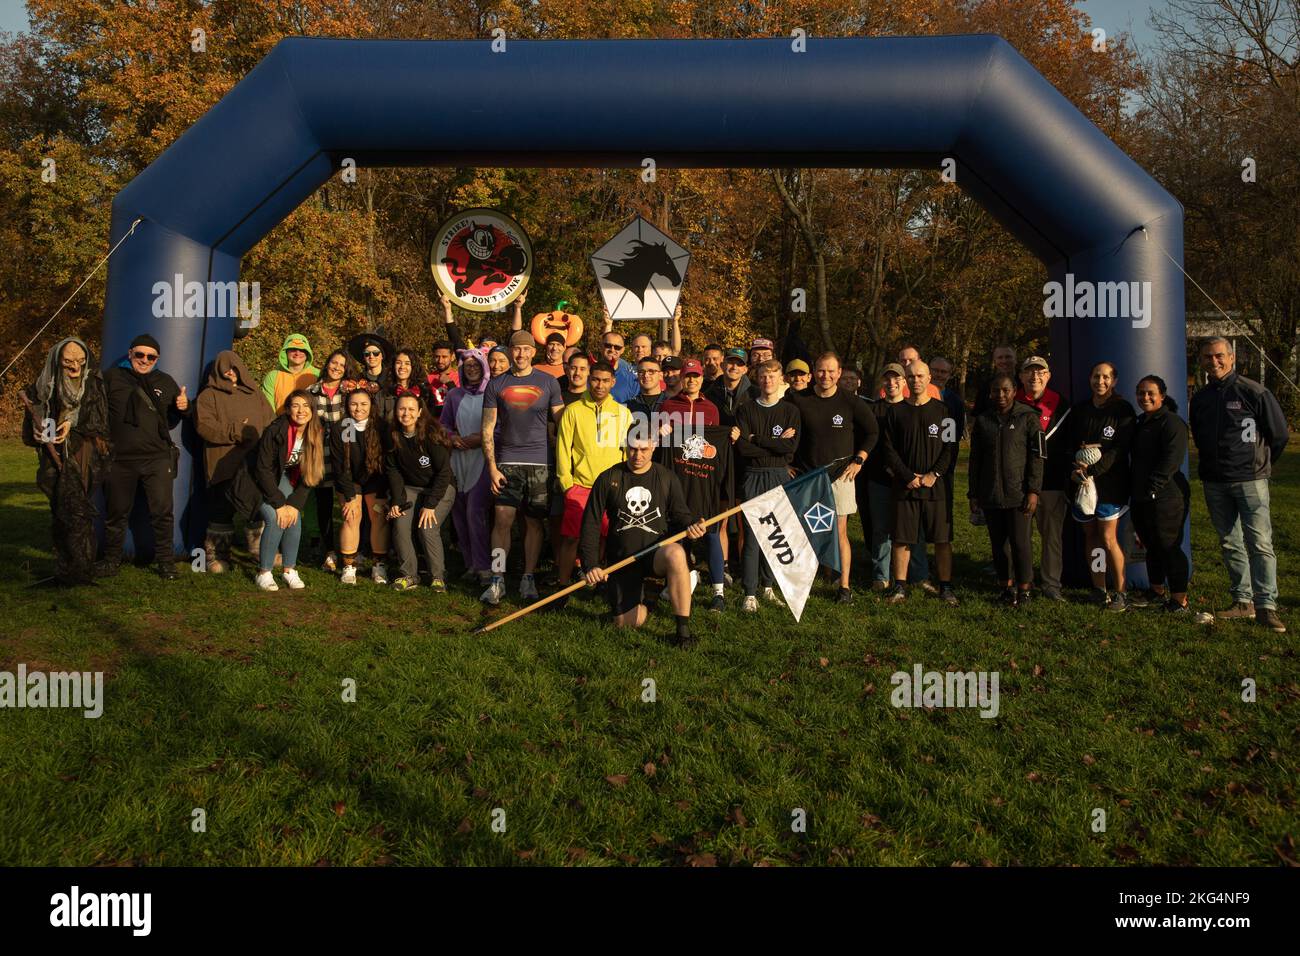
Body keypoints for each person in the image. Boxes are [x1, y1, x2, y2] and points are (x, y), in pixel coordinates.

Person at [1188, 337, 1289, 632]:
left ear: (1232, 358)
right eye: (1208, 357)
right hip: (1215, 481)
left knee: (1259, 543)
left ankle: (1266, 605)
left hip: (1250, 480)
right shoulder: (1202, 397)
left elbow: (1279, 434)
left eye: (1219, 356)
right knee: (1230, 542)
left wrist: (1260, 463)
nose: (1214, 361)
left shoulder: (1253, 391)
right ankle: (1242, 601)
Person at [581, 429, 708, 647]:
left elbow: (681, 515)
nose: (637, 455)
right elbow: (590, 524)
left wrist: (692, 526)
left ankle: (683, 633)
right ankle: (647, 600)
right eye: (632, 449)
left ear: (654, 446)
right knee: (626, 623)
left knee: (676, 554)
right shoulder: (608, 478)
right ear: (625, 446)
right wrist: (591, 564)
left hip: (655, 554)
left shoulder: (666, 477)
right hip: (622, 561)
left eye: (644, 449)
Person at [480, 329, 565, 604]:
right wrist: (492, 467)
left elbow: (563, 423)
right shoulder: (496, 384)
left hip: (540, 463)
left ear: (533, 352)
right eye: (516, 349)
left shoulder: (549, 382)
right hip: (507, 462)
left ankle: (528, 577)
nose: (521, 354)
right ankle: (497, 579)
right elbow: (487, 428)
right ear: (510, 352)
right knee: (502, 520)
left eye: (526, 349)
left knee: (533, 522)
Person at [788, 352, 878, 604]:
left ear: (839, 373)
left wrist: (859, 459)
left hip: (840, 477)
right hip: (808, 477)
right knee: (805, 531)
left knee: (839, 532)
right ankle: (802, 580)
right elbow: (785, 432)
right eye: (820, 371)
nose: (825, 376)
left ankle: (844, 587)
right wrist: (786, 463)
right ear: (813, 372)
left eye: (830, 371)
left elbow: (872, 432)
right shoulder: (797, 399)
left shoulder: (851, 402)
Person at [99, 334, 191, 579]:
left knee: (162, 512)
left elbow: (180, 413)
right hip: (120, 459)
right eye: (139, 354)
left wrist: (184, 406)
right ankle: (111, 561)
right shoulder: (111, 378)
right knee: (116, 513)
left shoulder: (165, 381)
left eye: (151, 356)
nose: (144, 359)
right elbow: (95, 412)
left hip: (157, 458)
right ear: (130, 354)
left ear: (157, 358)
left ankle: (166, 563)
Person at [21, 337, 110, 587]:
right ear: (58, 360)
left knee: (77, 508)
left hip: (84, 454)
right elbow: (33, 415)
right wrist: (37, 432)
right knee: (59, 508)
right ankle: (64, 567)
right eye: (69, 362)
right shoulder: (45, 385)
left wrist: (74, 423)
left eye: (80, 362)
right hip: (53, 455)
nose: (75, 368)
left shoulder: (93, 383)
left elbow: (101, 422)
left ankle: (81, 569)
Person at [882, 360, 958, 606]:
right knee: (902, 538)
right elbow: (888, 449)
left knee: (942, 539)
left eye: (920, 376)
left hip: (936, 487)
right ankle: (899, 587)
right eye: (911, 377)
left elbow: (950, 448)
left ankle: (945, 587)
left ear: (928, 379)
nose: (916, 381)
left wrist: (933, 474)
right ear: (906, 380)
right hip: (905, 486)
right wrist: (907, 476)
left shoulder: (945, 411)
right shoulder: (894, 412)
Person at [234, 390, 325, 591]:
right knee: (276, 517)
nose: (301, 411)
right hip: (256, 479)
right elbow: (262, 469)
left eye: (306, 406)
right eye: (295, 405)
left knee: (294, 517)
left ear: (313, 410)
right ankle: (263, 572)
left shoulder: (316, 432)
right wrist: (279, 503)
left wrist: (293, 504)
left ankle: (289, 570)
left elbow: (311, 474)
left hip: (282, 476)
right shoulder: (276, 430)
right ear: (288, 409)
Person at [554, 361, 632, 591]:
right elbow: (563, 448)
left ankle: (596, 581)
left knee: (605, 538)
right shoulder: (573, 410)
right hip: (580, 486)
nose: (600, 385)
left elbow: (627, 452)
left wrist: (624, 483)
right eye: (596, 379)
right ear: (589, 379)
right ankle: (563, 586)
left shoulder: (622, 413)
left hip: (611, 488)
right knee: (571, 538)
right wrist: (567, 484)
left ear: (613, 382)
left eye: (605, 380)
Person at [194, 350, 273, 573]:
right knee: (221, 509)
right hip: (222, 464)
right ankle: (216, 555)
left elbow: (270, 421)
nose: (231, 372)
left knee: (257, 507)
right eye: (226, 368)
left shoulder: (255, 393)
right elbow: (204, 426)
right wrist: (236, 431)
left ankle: (261, 552)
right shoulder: (208, 396)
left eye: (235, 367)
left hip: (253, 462)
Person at [967, 374, 1042, 607]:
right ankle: (1006, 588)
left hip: (1019, 494)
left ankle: (1025, 590)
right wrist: (974, 493)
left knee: (1021, 544)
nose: (1000, 395)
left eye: (1005, 390)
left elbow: (1038, 456)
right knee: (998, 546)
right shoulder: (983, 421)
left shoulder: (1028, 418)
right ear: (990, 393)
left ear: (1014, 391)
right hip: (990, 494)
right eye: (996, 391)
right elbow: (974, 460)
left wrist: (1033, 490)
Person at [660, 359, 727, 612]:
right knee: (678, 534)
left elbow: (716, 447)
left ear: (701, 379)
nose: (692, 380)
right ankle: (680, 581)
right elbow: (658, 445)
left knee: (709, 532)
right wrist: (661, 433)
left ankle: (718, 591)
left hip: (703, 481)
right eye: (688, 376)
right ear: (682, 378)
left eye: (696, 376)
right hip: (677, 482)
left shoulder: (711, 408)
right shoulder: (668, 405)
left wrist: (728, 436)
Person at [733, 359, 801, 612]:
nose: (767, 381)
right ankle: (749, 593)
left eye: (772, 376)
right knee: (752, 536)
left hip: (778, 475)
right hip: (754, 474)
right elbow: (743, 448)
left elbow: (789, 448)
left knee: (775, 534)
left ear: (781, 379)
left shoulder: (790, 411)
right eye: (763, 376)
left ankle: (768, 586)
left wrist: (755, 438)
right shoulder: (746, 409)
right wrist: (770, 442)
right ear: (757, 378)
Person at [1068, 361, 1136, 612]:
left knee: (1108, 538)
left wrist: (1095, 469)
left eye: (1106, 377)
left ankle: (1120, 592)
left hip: (1110, 484)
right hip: (1084, 484)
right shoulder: (1081, 410)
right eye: (1096, 376)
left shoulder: (1122, 409)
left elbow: (1120, 449)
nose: (1101, 381)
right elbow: (1071, 444)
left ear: (1114, 381)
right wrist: (1076, 469)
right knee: (1091, 536)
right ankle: (1099, 589)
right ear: (1090, 379)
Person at [1127, 375, 1193, 614]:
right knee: (1151, 545)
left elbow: (1172, 460)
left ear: (1162, 396)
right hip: (1141, 496)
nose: (1145, 397)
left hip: (1167, 497)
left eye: (1150, 393)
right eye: (1141, 392)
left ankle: (1179, 600)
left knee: (1168, 545)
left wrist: (1153, 487)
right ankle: (1156, 591)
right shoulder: (1139, 422)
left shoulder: (1172, 423)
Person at [386, 394, 455, 592]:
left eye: (410, 409)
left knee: (427, 527)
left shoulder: (431, 435)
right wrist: (397, 501)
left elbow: (444, 473)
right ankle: (409, 574)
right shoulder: (393, 435)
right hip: (411, 488)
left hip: (440, 487)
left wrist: (430, 505)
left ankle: (438, 576)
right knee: (400, 523)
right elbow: (394, 470)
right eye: (401, 409)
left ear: (419, 413)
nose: (405, 413)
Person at [1015, 356, 1070, 601]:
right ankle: (1022, 582)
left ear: (1048, 376)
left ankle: (1051, 585)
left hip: (1051, 483)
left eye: (1040, 372)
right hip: (1018, 484)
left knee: (1052, 537)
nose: (1034, 377)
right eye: (1029, 372)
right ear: (1021, 376)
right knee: (1019, 537)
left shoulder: (1061, 405)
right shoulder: (1011, 403)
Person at [441, 348, 493, 587]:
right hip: (458, 458)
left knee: (475, 513)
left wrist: (478, 439)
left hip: (482, 459)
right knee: (459, 514)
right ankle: (470, 563)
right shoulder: (453, 395)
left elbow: (499, 428)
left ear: (484, 368)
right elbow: (444, 425)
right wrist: (452, 438)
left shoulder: (492, 393)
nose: (472, 369)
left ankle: (484, 566)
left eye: (476, 366)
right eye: (467, 366)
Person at [330, 388, 392, 585]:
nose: (358, 408)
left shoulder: (381, 427)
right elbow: (340, 466)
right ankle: (349, 567)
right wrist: (349, 497)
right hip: (350, 479)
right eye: (354, 404)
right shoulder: (341, 427)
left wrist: (382, 492)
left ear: (371, 405)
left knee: (378, 517)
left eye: (363, 404)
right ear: (347, 406)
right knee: (352, 516)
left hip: (376, 479)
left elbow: (387, 463)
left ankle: (378, 566)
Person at [306, 349, 350, 570]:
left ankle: (351, 551)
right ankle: (328, 551)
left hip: (345, 459)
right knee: (323, 506)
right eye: (334, 362)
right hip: (319, 457)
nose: (337, 367)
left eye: (342, 365)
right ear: (327, 364)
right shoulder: (310, 392)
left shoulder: (350, 392)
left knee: (346, 505)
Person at [261, 332, 319, 411]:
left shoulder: (317, 375)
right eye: (293, 349)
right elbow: (268, 409)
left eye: (302, 350)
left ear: (307, 353)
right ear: (286, 352)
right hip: (280, 422)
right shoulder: (273, 377)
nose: (297, 353)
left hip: (311, 422)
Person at [972, 344, 1018, 417]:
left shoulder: (1025, 383)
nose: (1004, 361)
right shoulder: (986, 386)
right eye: (1000, 357)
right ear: (995, 361)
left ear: (1015, 359)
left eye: (1008, 357)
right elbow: (978, 415)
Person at [382, 348, 426, 421]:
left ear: (413, 367)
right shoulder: (384, 394)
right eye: (398, 362)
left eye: (407, 363)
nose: (402, 367)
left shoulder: (424, 393)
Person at [599, 330, 640, 404]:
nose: (612, 350)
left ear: (622, 350)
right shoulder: (588, 376)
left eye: (617, 347)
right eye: (608, 345)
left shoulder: (632, 381)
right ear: (601, 346)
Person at [627, 355, 668, 425]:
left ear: (660, 375)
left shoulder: (670, 403)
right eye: (641, 372)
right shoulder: (628, 406)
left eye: (651, 371)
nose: (646, 375)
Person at [425, 339, 459, 410]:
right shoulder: (428, 379)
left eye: (444, 357)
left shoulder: (460, 378)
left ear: (452, 357)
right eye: (437, 357)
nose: (440, 361)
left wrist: (449, 383)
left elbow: (460, 403)